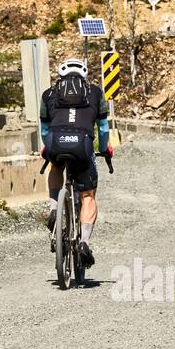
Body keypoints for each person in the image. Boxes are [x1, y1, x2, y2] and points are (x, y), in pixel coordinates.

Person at [40, 58, 111, 269]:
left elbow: (44, 130)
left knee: (55, 165)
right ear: (84, 75)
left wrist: (48, 147)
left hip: (56, 142)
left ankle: (54, 207)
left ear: (61, 75)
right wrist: (104, 148)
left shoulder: (49, 94)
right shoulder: (95, 93)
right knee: (88, 195)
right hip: (83, 145)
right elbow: (104, 128)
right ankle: (84, 242)